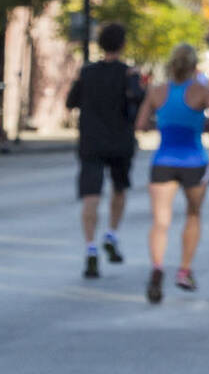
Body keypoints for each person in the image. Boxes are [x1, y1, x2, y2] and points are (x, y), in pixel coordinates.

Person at [136, 44, 209, 304]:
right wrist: (200, 125)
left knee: (160, 221)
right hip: (194, 160)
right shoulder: (203, 91)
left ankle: (157, 268)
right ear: (194, 66)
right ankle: (184, 271)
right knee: (193, 214)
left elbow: (140, 124)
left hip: (163, 160)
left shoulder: (157, 91)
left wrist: (164, 124)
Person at [66, 22, 144, 278]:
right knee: (119, 189)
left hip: (91, 142)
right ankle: (111, 234)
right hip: (120, 142)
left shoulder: (87, 73)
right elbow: (139, 100)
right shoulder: (127, 74)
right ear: (122, 45)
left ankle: (90, 249)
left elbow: (70, 102)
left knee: (91, 196)